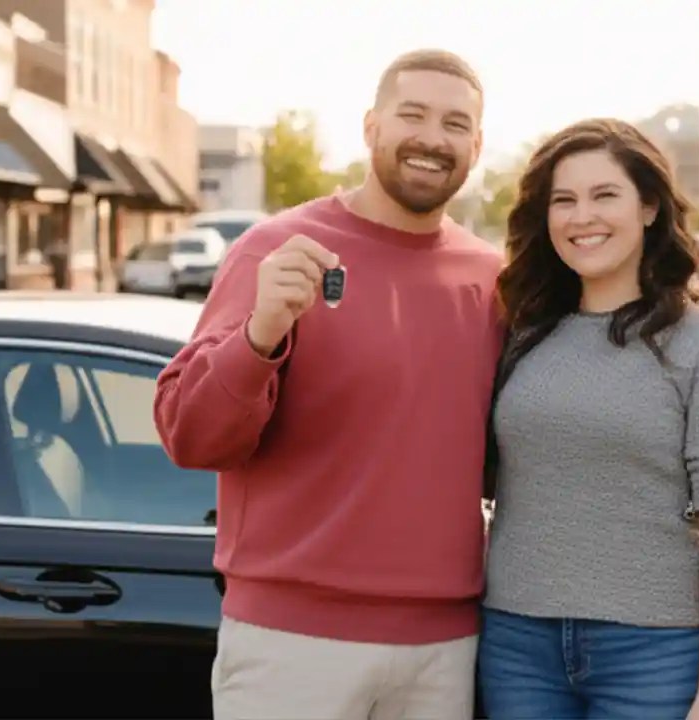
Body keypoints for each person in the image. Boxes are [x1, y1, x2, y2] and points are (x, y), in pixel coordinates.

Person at [152, 48, 503, 720]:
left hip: (443, 648)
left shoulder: (492, 280)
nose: (433, 138)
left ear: (477, 146)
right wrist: (259, 336)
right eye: (413, 115)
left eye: (456, 124)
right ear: (371, 126)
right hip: (291, 644)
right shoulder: (275, 250)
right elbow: (187, 434)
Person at [478, 118, 699, 720]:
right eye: (563, 200)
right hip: (516, 645)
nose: (581, 216)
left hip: (653, 652)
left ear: (647, 207)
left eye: (603, 195)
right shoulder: (524, 331)